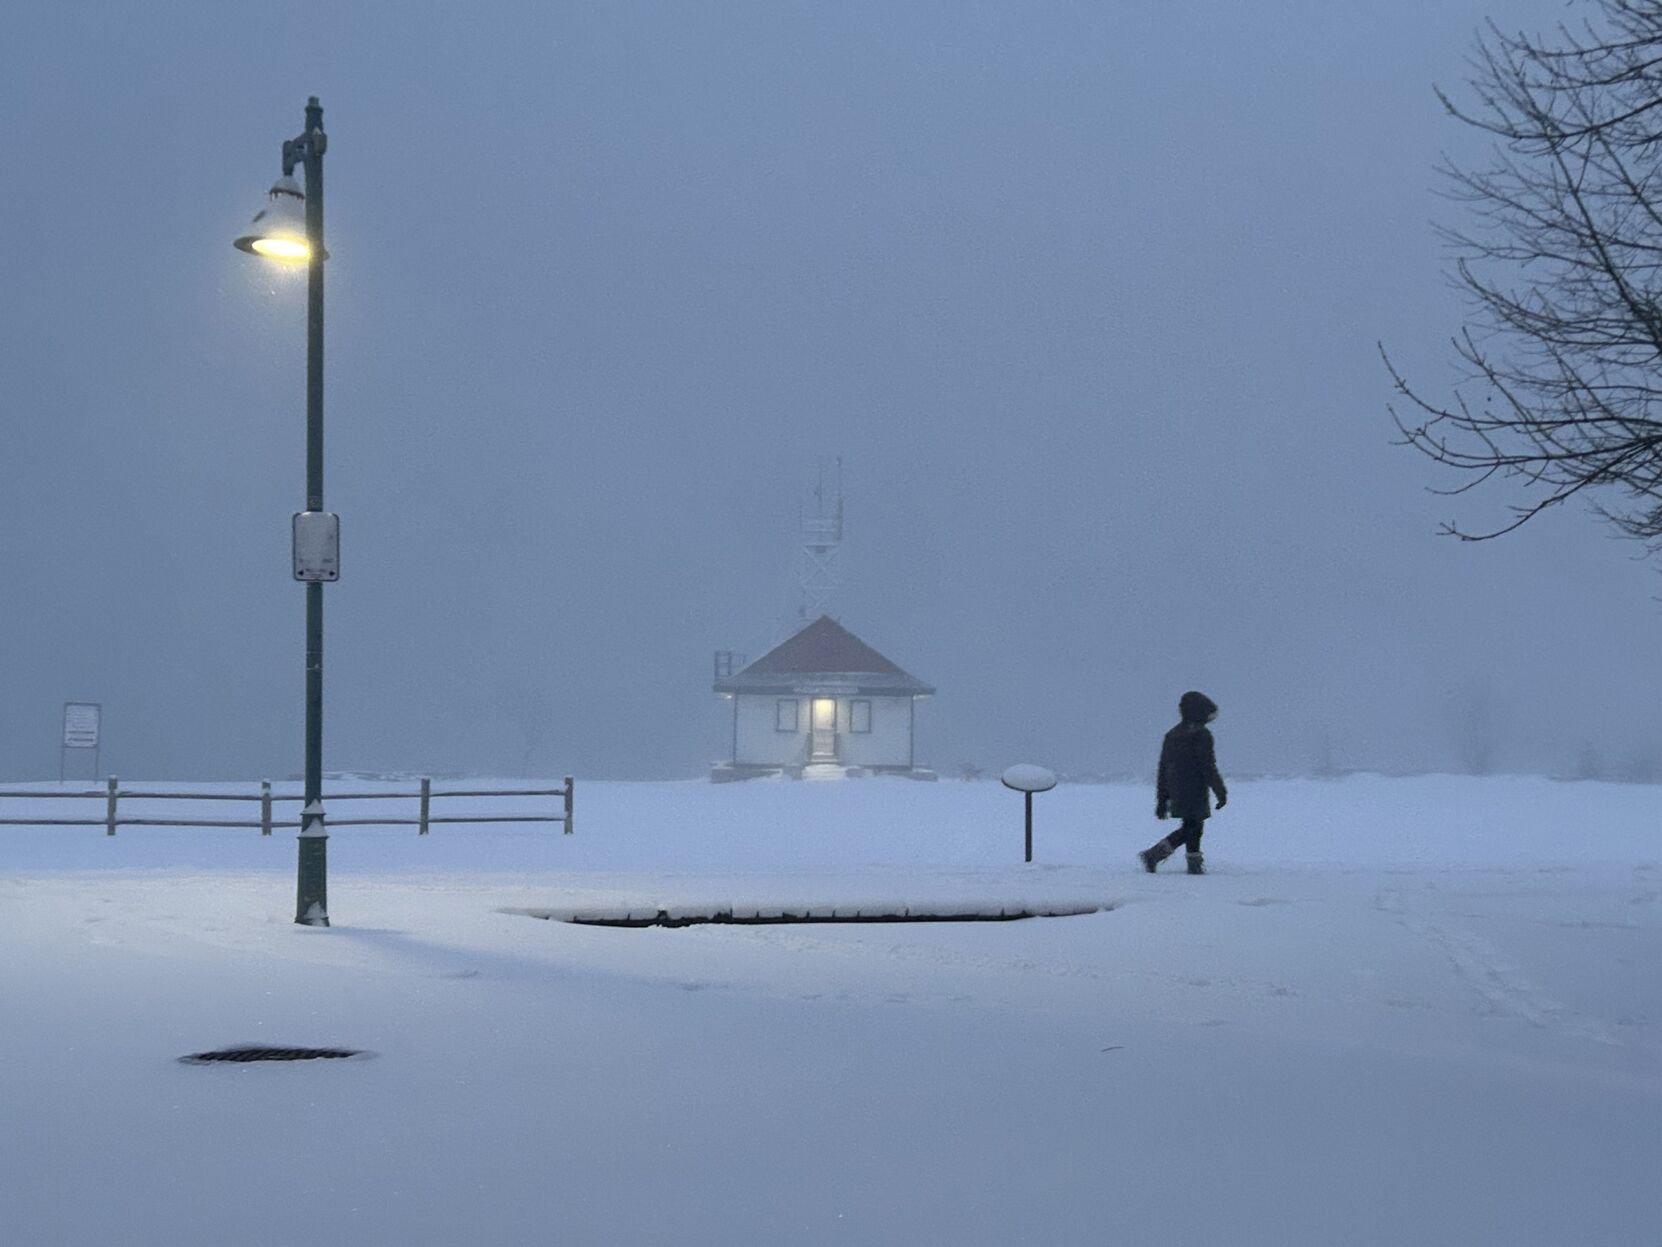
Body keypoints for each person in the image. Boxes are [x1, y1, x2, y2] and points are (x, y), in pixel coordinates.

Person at [1140, 691, 1228, 875]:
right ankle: (1155, 854)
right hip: (1194, 787)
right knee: (1193, 826)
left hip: (1176, 787)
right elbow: (1208, 766)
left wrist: (1162, 798)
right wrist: (1220, 791)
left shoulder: (1172, 734)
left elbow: (1163, 767)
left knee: (1193, 825)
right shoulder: (1201, 735)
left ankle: (1193, 864)